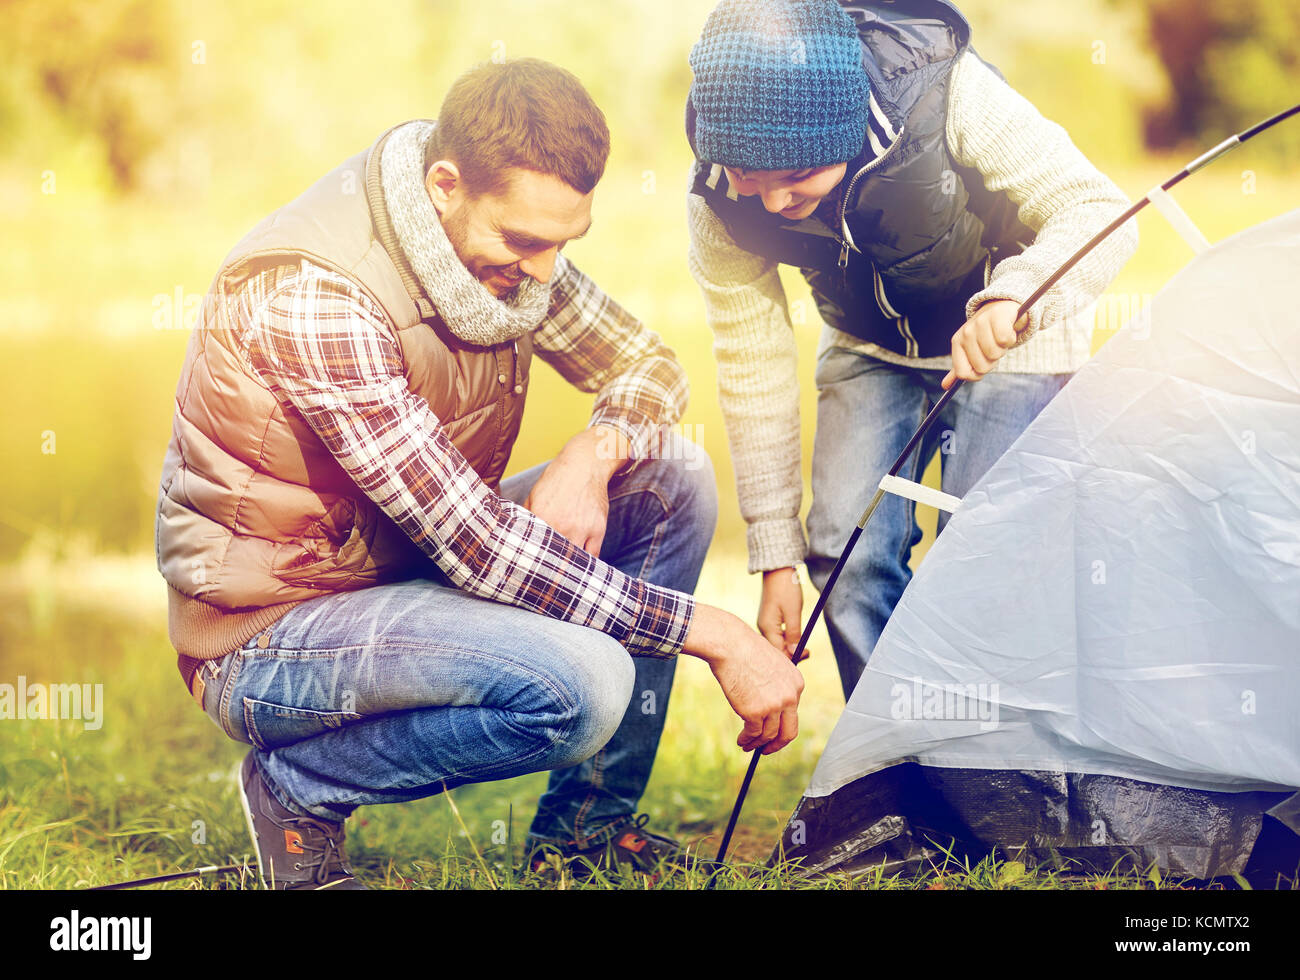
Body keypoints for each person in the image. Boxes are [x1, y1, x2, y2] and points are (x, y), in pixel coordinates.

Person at [154, 57, 803, 889]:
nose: (543, 271)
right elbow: (482, 551)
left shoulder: (506, 251)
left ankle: (585, 833)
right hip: (270, 634)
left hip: (398, 564)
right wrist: (718, 635)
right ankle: (295, 791)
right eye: (527, 243)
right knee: (585, 686)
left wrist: (594, 451)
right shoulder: (319, 298)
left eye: (564, 243)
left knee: (670, 475)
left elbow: (649, 364)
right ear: (445, 185)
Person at [685, 0, 1139, 700]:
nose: (772, 202)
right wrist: (775, 551)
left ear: (842, 128)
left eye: (796, 175)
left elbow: (1098, 212)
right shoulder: (718, 197)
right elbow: (753, 367)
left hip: (1013, 336)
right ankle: (899, 756)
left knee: (985, 555)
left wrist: (1014, 298)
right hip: (868, 348)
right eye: (750, 174)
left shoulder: (941, 88)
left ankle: (995, 763)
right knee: (843, 556)